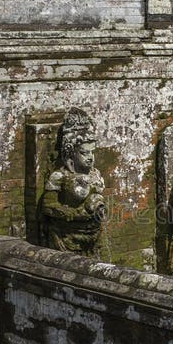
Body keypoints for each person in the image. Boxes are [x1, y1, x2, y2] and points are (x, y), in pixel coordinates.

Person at [40, 108, 106, 257]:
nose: (90, 157)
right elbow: (47, 206)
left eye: (92, 152)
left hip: (92, 233)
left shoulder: (95, 174)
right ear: (71, 152)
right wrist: (71, 214)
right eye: (84, 153)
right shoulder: (59, 176)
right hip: (67, 235)